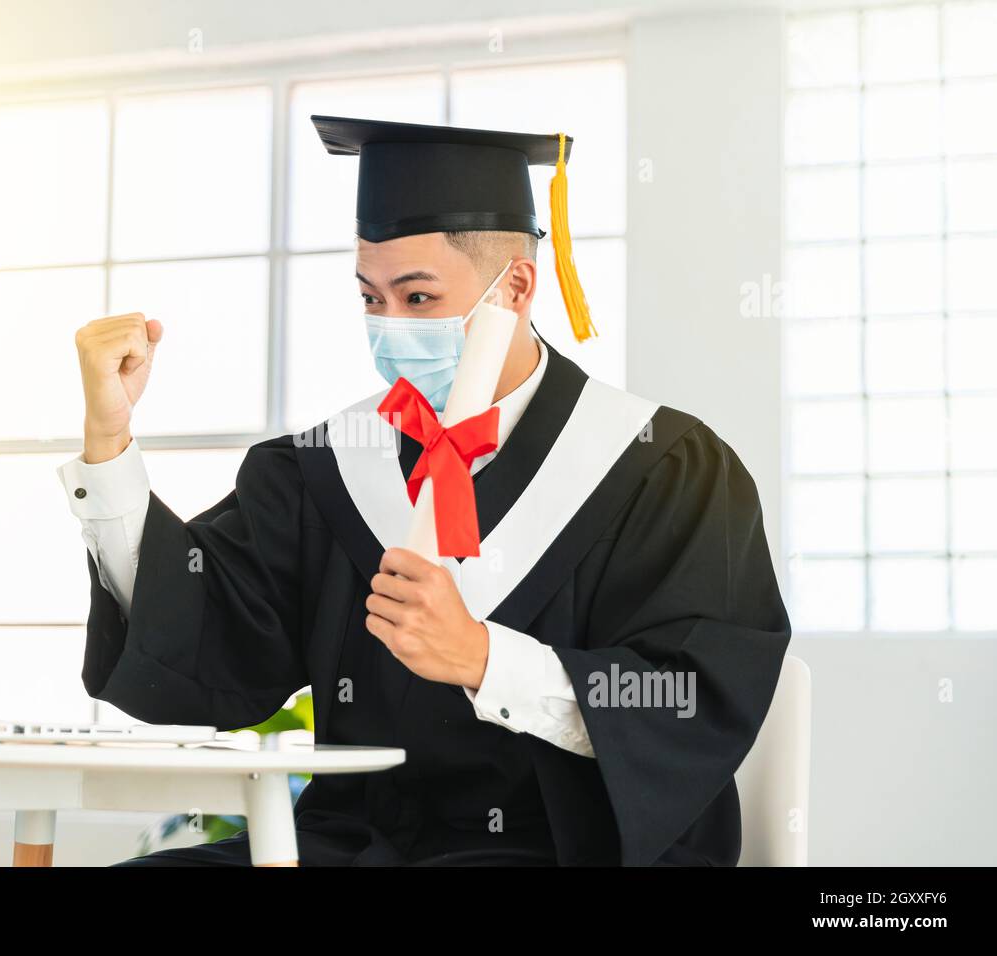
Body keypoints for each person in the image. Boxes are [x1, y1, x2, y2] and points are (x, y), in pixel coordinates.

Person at [58, 116, 791, 866]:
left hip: (567, 844)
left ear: (516, 286)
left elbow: (690, 697)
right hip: (358, 841)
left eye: (418, 299)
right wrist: (109, 444)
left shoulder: (662, 469)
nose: (389, 327)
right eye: (370, 298)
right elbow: (199, 639)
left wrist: (481, 657)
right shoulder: (325, 470)